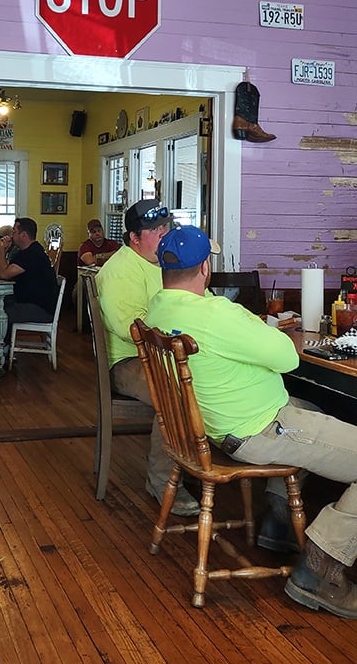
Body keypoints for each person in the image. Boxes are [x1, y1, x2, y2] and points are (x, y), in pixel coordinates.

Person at [147, 224, 357, 619]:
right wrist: (270, 329)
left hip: (212, 428)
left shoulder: (158, 307)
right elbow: (288, 358)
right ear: (205, 268)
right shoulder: (216, 314)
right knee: (313, 415)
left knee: (310, 407)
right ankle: (320, 568)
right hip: (258, 430)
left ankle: (278, 522)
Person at [95, 199, 200, 516]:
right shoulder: (119, 271)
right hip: (128, 362)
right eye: (154, 230)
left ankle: (203, 465)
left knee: (215, 381)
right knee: (176, 390)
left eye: (166, 227)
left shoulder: (167, 262)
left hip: (173, 354)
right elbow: (132, 328)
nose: (163, 233)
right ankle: (162, 480)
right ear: (134, 238)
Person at [0, 217, 59, 365]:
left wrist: (0, 250)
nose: (11, 234)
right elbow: (7, 270)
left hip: (39, 308)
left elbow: (4, 274)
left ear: (24, 235)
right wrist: (5, 253)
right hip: (28, 301)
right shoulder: (26, 252)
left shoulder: (32, 254)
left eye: (14, 231)